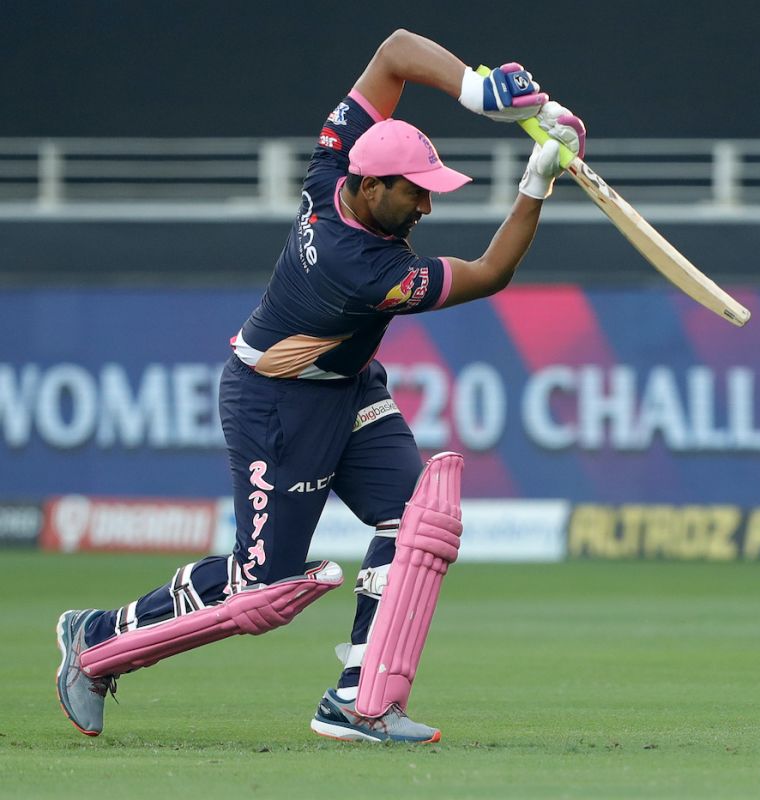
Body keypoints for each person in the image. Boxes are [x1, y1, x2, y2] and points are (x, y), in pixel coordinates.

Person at [53, 29, 584, 744]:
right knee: (261, 591)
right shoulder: (364, 272)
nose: (426, 209)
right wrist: (535, 183)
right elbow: (491, 273)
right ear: (373, 188)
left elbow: (396, 49)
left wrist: (477, 92)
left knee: (419, 519)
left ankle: (361, 699)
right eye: (415, 194)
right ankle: (94, 642)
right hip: (277, 407)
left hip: (347, 388)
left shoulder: (333, 165)